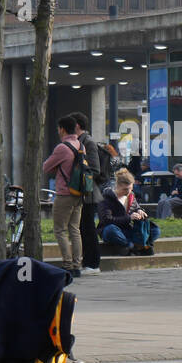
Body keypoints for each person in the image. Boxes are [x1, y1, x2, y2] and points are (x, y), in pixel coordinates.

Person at [42, 115, 85, 278]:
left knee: (60, 229)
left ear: (62, 129)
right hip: (79, 193)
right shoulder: (80, 145)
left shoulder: (62, 147)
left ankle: (67, 264)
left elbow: (46, 167)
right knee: (75, 229)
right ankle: (77, 265)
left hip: (64, 194)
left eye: (59, 128)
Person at [98, 167, 161, 254]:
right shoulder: (106, 198)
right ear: (117, 186)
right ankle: (136, 246)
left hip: (129, 230)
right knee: (110, 230)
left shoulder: (131, 196)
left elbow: (136, 207)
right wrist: (129, 218)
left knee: (155, 230)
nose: (128, 192)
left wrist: (140, 211)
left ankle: (133, 246)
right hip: (114, 230)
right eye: (125, 189)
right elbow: (106, 220)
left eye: (130, 188)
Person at [73, 112, 102, 275]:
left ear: (77, 125)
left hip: (88, 194)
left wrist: (78, 175)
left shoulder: (88, 142)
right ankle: (88, 262)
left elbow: (95, 169)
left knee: (88, 228)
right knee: (83, 228)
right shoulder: (80, 142)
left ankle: (93, 263)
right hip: (83, 193)